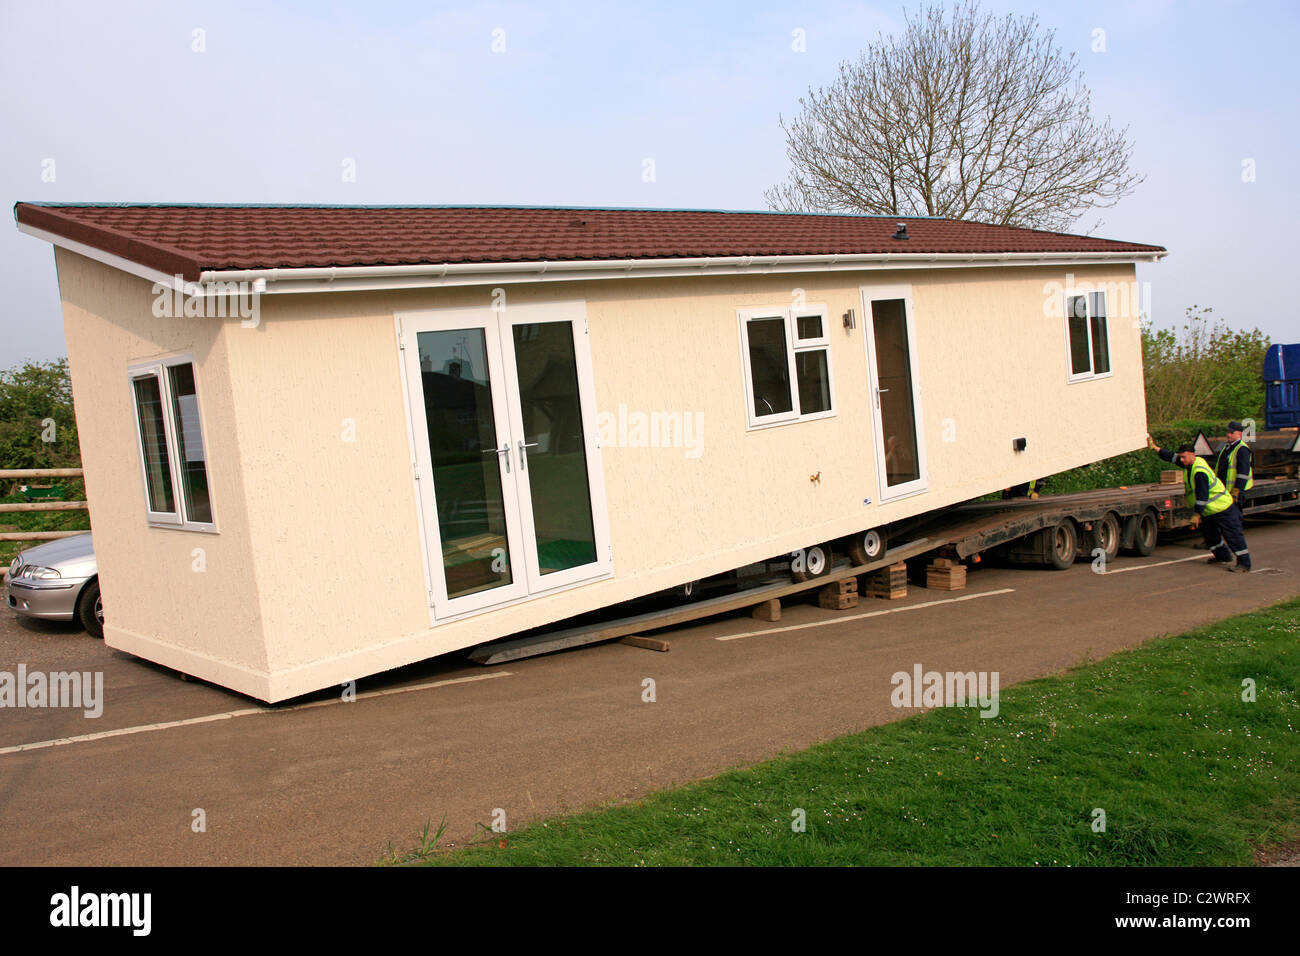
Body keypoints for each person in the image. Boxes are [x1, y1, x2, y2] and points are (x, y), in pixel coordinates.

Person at [1147, 434, 1250, 572]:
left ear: (1192, 455)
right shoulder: (1191, 463)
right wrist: (1156, 449)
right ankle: (1223, 556)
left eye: (1184, 457)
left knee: (1233, 536)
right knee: (1210, 535)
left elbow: (1202, 496)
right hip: (1210, 510)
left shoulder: (1199, 472)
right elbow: (1172, 457)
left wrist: (1197, 514)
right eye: (1181, 457)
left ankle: (1244, 564)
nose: (1181, 460)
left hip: (1222, 508)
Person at [1214, 421, 1254, 507]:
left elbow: (1243, 472)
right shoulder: (1227, 447)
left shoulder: (1242, 449)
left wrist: (1237, 490)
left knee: (1235, 517)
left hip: (1236, 491)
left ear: (1240, 434)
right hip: (1225, 490)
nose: (1228, 435)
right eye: (1227, 432)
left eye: (1231, 433)